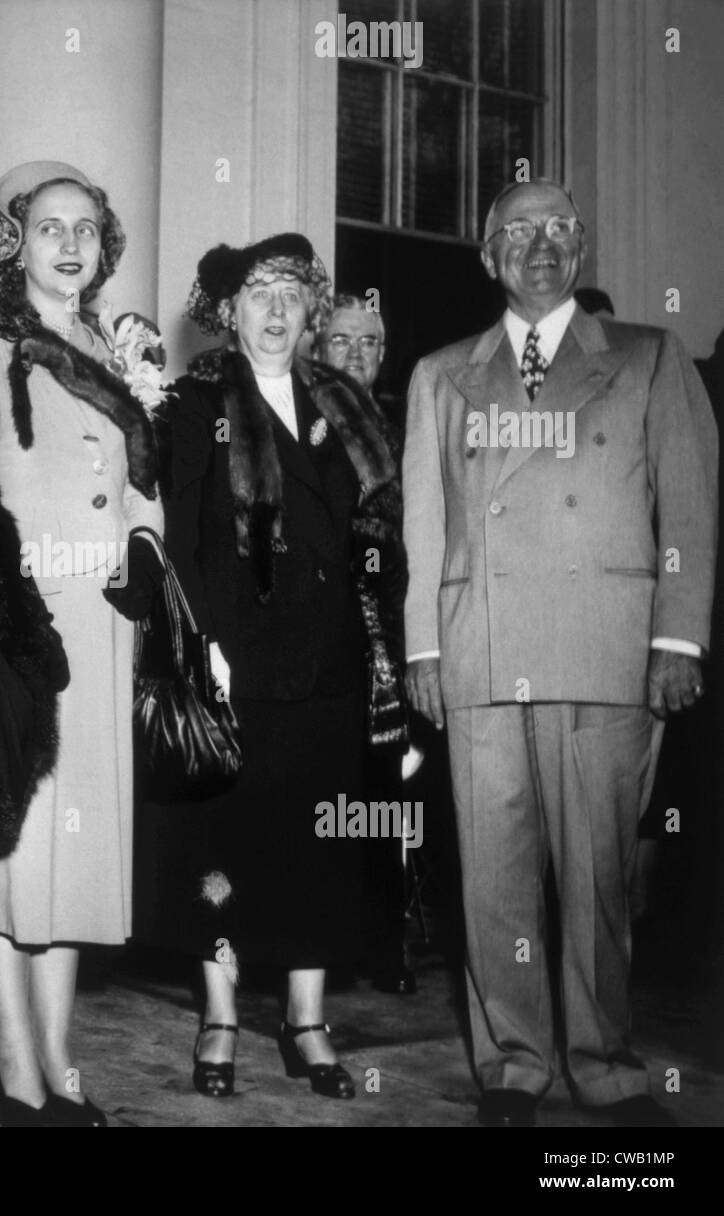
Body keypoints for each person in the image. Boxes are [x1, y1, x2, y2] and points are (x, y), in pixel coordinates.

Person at [403, 179, 717, 1128]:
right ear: (489, 254)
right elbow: (423, 528)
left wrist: (678, 635)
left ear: (582, 249)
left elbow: (690, 509)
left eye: (562, 230)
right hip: (484, 649)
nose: (543, 245)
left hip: (605, 649)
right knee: (492, 875)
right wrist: (423, 646)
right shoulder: (441, 373)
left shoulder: (650, 356)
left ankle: (604, 1063)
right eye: (521, 232)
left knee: (597, 878)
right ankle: (513, 1065)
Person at [134, 236, 407, 1100]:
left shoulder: (345, 402)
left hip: (332, 661)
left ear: (312, 310)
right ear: (228, 311)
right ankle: (219, 1017)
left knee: (322, 839)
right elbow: (180, 536)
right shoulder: (196, 398)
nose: (277, 311)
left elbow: (381, 536)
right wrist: (200, 645)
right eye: (258, 294)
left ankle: (306, 1019)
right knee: (225, 847)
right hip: (234, 658)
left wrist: (382, 650)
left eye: (292, 293)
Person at [0, 161, 163, 1125]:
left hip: (101, 626)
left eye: (85, 228)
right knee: (10, 847)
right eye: (47, 227)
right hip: (17, 624)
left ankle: (60, 1056)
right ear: (12, 243)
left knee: (76, 855)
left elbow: (139, 479)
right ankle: (15, 1063)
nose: (69, 243)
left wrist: (145, 546)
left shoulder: (115, 345)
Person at [316, 293, 417, 997]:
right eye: (341, 340)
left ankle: (384, 941)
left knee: (385, 794)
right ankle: (308, 945)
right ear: (317, 347)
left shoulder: (408, 426)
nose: (356, 354)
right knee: (315, 791)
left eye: (370, 342)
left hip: (390, 637)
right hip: (316, 632)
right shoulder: (294, 418)